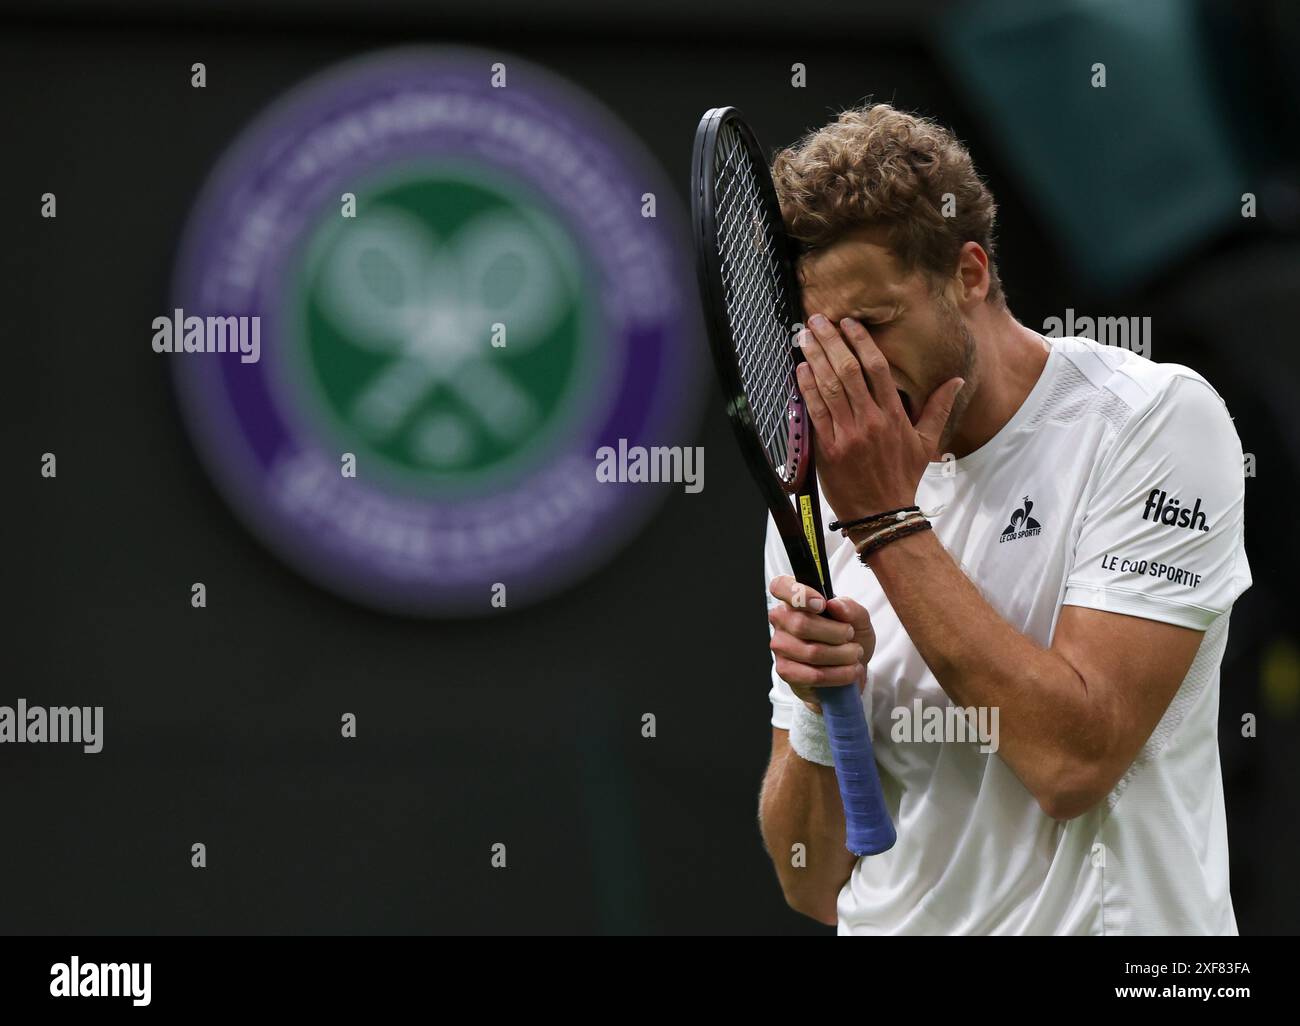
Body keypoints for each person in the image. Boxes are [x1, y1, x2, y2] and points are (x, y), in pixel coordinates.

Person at [759, 103, 1250, 935]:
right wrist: (815, 704)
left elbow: (1074, 762)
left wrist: (883, 522)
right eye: (826, 343)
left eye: (875, 326)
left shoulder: (1154, 421)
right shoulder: (816, 485)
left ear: (970, 274)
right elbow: (810, 883)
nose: (858, 372)